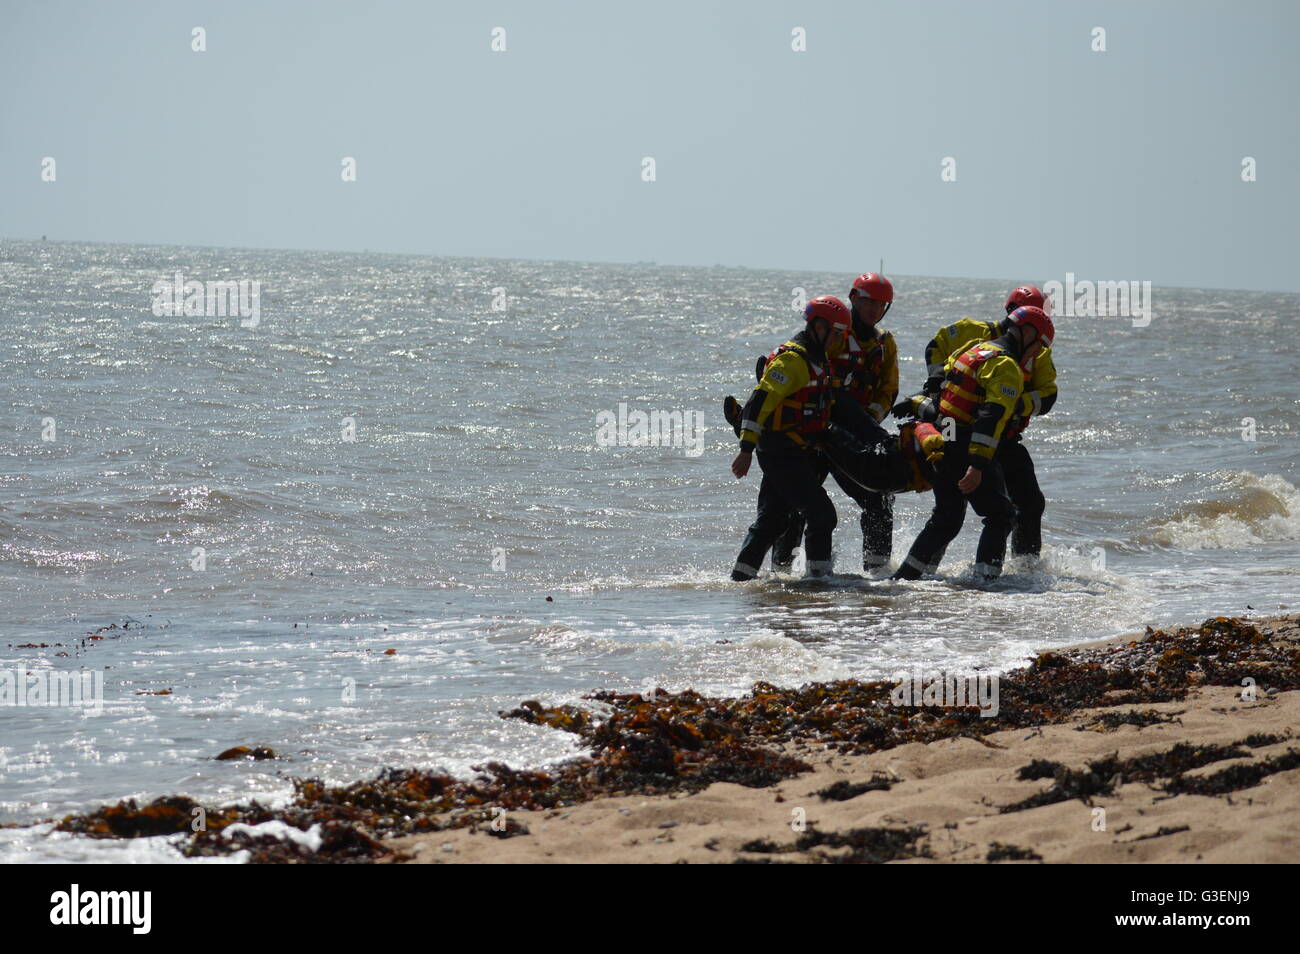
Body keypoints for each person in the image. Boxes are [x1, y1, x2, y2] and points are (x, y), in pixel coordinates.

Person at [891, 306, 1055, 581]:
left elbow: (943, 394)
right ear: (1026, 334)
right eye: (1039, 347)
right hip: (963, 447)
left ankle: (903, 579)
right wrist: (977, 465)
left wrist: (918, 404)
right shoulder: (1006, 367)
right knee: (1001, 515)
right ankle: (984, 584)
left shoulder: (972, 350)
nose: (1036, 354)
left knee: (947, 518)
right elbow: (991, 418)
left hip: (943, 441)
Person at [771, 273, 900, 572]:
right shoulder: (832, 331)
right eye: (869, 302)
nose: (874, 310)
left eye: (882, 305)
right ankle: (782, 574)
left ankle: (878, 572)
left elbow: (888, 389)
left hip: (853, 437)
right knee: (796, 507)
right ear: (854, 299)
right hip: (813, 433)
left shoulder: (884, 344)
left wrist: (869, 420)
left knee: (879, 500)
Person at [728, 296, 850, 581]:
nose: (838, 341)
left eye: (842, 336)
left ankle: (740, 580)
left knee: (772, 522)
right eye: (836, 334)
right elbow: (759, 403)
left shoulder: (818, 361)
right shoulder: (792, 361)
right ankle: (819, 581)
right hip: (780, 452)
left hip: (797, 450)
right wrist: (745, 449)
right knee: (822, 516)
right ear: (819, 327)